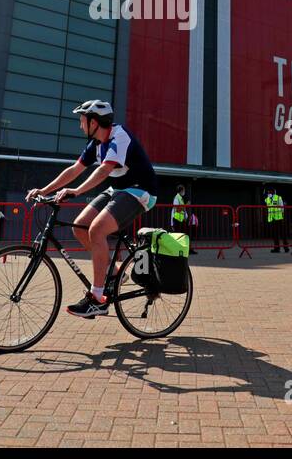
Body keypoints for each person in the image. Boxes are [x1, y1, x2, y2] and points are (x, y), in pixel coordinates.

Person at [25, 100, 159, 318]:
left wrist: (76, 191)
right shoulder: (95, 144)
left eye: (82, 121)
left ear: (94, 122)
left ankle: (97, 299)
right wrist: (44, 189)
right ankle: (114, 273)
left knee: (96, 230)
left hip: (140, 192)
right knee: (79, 227)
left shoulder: (119, 136)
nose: (80, 126)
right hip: (117, 190)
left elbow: (104, 171)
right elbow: (75, 169)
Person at [170, 184, 197, 255]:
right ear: (181, 190)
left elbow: (181, 209)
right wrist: (186, 205)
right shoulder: (177, 198)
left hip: (182, 220)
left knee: (185, 235)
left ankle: (187, 250)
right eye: (184, 190)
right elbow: (177, 209)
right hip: (177, 220)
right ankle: (178, 251)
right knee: (178, 236)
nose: (184, 192)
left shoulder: (180, 198)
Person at [265, 187, 287, 252]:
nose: (268, 193)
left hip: (279, 218)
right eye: (268, 192)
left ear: (273, 192)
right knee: (275, 234)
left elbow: (282, 207)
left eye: (269, 192)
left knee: (282, 233)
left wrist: (282, 215)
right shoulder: (267, 199)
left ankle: (286, 247)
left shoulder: (278, 197)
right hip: (272, 219)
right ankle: (277, 248)